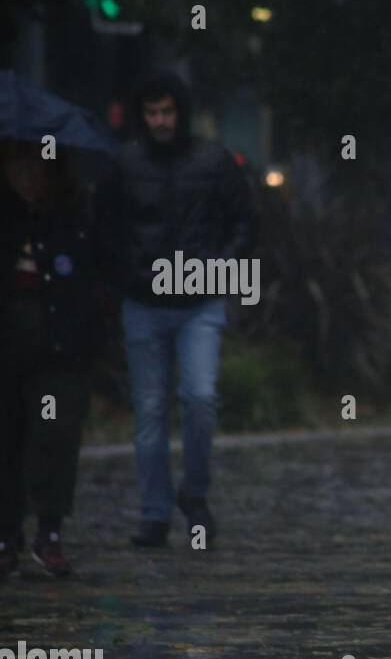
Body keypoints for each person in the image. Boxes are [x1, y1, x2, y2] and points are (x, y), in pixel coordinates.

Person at [101, 71, 257, 548]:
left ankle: (192, 494)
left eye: (166, 112)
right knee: (150, 410)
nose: (161, 121)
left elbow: (244, 223)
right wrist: (131, 276)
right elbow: (107, 228)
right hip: (146, 301)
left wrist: (217, 269)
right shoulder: (124, 165)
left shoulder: (212, 162)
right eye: (152, 113)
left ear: (180, 112)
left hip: (198, 300)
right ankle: (155, 511)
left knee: (199, 398)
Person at [0, 139, 108, 578]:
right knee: (7, 438)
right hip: (9, 348)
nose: (27, 178)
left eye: (35, 168)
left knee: (56, 433)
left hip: (61, 348)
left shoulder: (74, 213)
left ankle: (50, 529)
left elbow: (99, 269)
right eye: (16, 168)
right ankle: (7, 533)